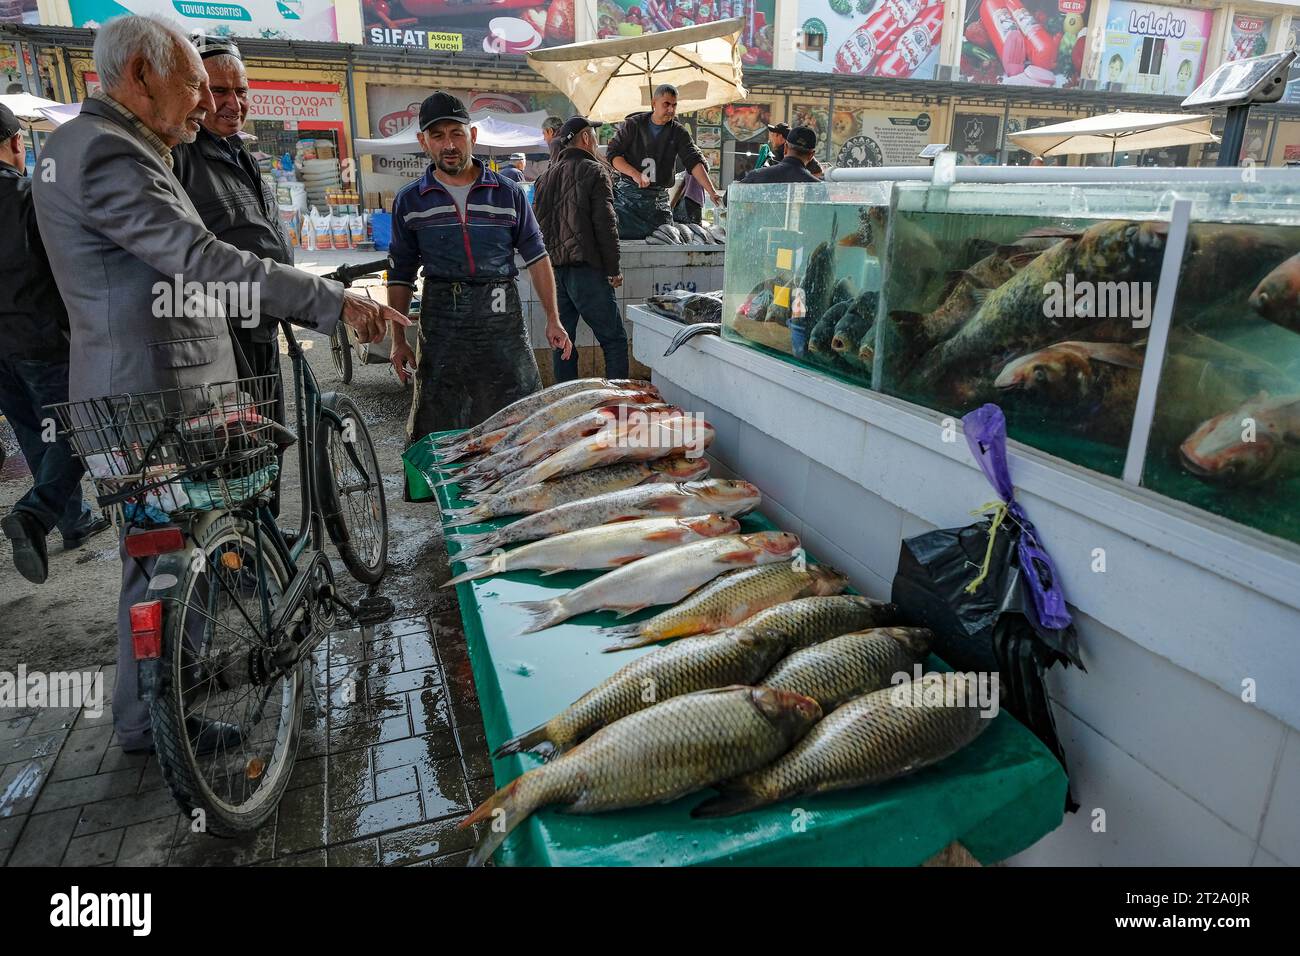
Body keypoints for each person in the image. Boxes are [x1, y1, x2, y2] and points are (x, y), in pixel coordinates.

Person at [32, 14, 407, 754]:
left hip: (156, 385)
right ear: (140, 75)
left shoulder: (105, 144)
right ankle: (155, 719)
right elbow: (198, 258)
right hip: (149, 395)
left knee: (158, 561)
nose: (206, 103)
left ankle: (155, 707)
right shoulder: (109, 152)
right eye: (196, 85)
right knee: (167, 563)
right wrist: (331, 303)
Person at [384, 91, 572, 452]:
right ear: (424, 142)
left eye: (456, 133)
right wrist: (397, 338)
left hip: (500, 315)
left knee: (517, 419)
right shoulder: (409, 201)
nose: (448, 144)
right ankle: (449, 499)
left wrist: (553, 318)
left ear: (472, 136)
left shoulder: (508, 193)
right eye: (437, 136)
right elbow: (401, 272)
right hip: (442, 321)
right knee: (441, 420)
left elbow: (536, 256)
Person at [170, 35, 298, 519]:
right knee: (232, 448)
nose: (233, 102)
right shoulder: (183, 152)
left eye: (241, 91)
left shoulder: (238, 151)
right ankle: (242, 554)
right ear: (195, 93)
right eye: (219, 90)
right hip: (222, 335)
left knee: (266, 440)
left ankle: (262, 541)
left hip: (260, 322)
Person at [0, 102, 110, 584]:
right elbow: (66, 265)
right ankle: (39, 512)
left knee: (34, 429)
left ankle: (74, 519)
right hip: (42, 337)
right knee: (81, 426)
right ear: (15, 144)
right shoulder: (28, 197)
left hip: (2, 348)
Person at [534, 115, 627, 384]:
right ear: (586, 138)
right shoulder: (594, 171)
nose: (597, 143)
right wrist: (613, 270)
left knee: (564, 342)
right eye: (594, 137)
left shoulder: (544, 177)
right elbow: (606, 226)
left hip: (554, 275)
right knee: (615, 341)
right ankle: (619, 403)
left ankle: (565, 402)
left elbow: (537, 228)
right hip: (585, 271)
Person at [607, 84, 721, 209]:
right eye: (666, 104)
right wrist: (635, 174)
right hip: (629, 198)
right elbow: (613, 154)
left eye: (674, 105)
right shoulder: (633, 125)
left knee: (664, 229)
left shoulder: (679, 132)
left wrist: (712, 191)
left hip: (659, 199)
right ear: (654, 103)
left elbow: (693, 161)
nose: (671, 110)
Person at [738, 126, 822, 184]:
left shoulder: (757, 176)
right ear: (811, 155)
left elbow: (728, 200)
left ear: (785, 148)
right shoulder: (818, 188)